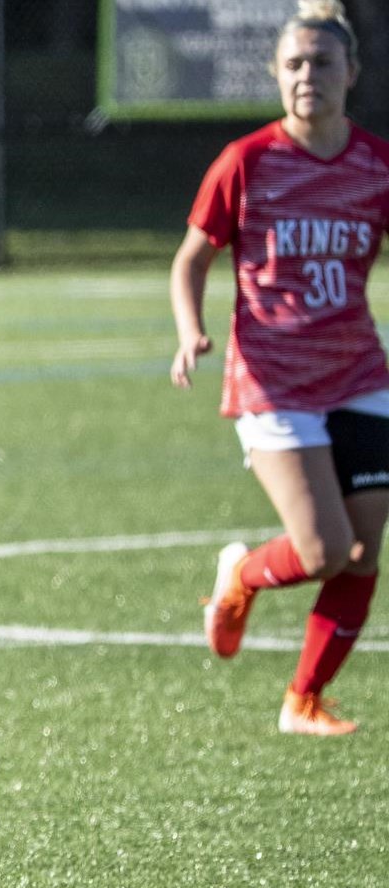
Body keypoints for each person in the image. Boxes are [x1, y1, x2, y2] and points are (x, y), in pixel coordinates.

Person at [171, 0, 389, 737]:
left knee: (364, 555)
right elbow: (192, 259)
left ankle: (303, 700)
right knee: (327, 549)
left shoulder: (374, 164)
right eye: (294, 63)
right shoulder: (247, 161)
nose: (308, 75)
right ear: (275, 73)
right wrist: (191, 329)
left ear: (351, 73)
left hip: (359, 373)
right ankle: (241, 577)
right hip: (273, 379)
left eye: (323, 63)